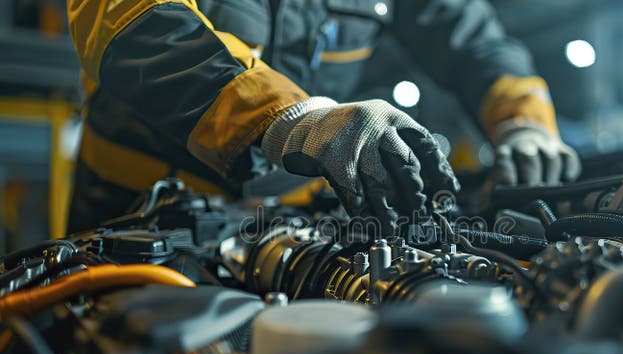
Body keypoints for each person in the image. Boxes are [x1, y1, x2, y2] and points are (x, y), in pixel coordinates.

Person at [65, 0, 581, 233]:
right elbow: (130, 21)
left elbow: (473, 40)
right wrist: (293, 118)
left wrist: (523, 123)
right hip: (134, 210)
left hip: (288, 218)